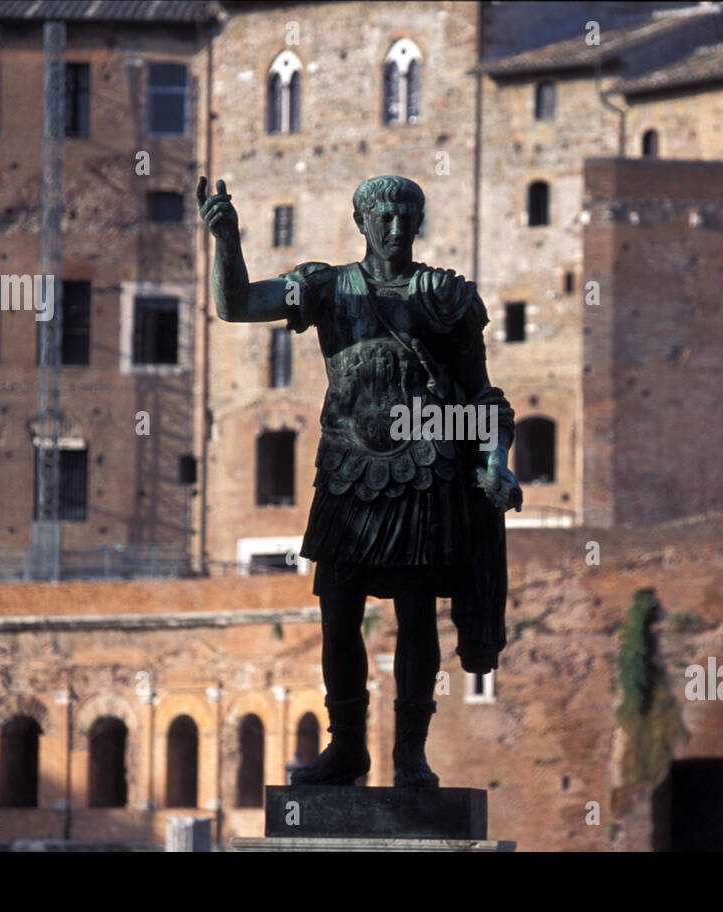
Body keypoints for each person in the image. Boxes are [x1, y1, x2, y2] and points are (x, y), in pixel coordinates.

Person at [197, 173, 522, 786]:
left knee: (416, 613)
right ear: (361, 222)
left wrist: (494, 461)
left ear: (418, 223)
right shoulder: (326, 287)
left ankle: (409, 752)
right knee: (337, 612)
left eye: (407, 218)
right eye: (385, 217)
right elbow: (236, 305)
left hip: (422, 471)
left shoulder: (443, 296)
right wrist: (227, 242)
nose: (396, 228)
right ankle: (346, 745)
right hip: (348, 469)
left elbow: (482, 398)